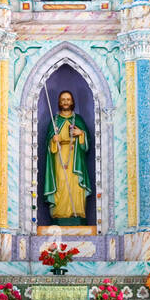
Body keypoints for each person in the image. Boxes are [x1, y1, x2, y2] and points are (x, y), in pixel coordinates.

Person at [43, 89, 91, 224]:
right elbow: (48, 142)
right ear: (59, 102)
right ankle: (60, 213)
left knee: (75, 185)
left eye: (68, 99)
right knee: (62, 182)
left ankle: (77, 213)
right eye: (63, 99)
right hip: (59, 158)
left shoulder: (79, 119)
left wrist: (81, 133)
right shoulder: (55, 120)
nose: (65, 102)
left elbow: (87, 144)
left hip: (76, 160)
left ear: (72, 102)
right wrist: (53, 140)